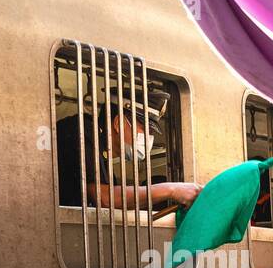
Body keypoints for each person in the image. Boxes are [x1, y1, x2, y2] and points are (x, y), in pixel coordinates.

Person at [56, 91, 201, 212]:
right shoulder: (81, 132)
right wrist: (171, 190)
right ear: (118, 123)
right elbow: (104, 198)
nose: (149, 138)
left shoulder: (102, 154)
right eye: (145, 130)